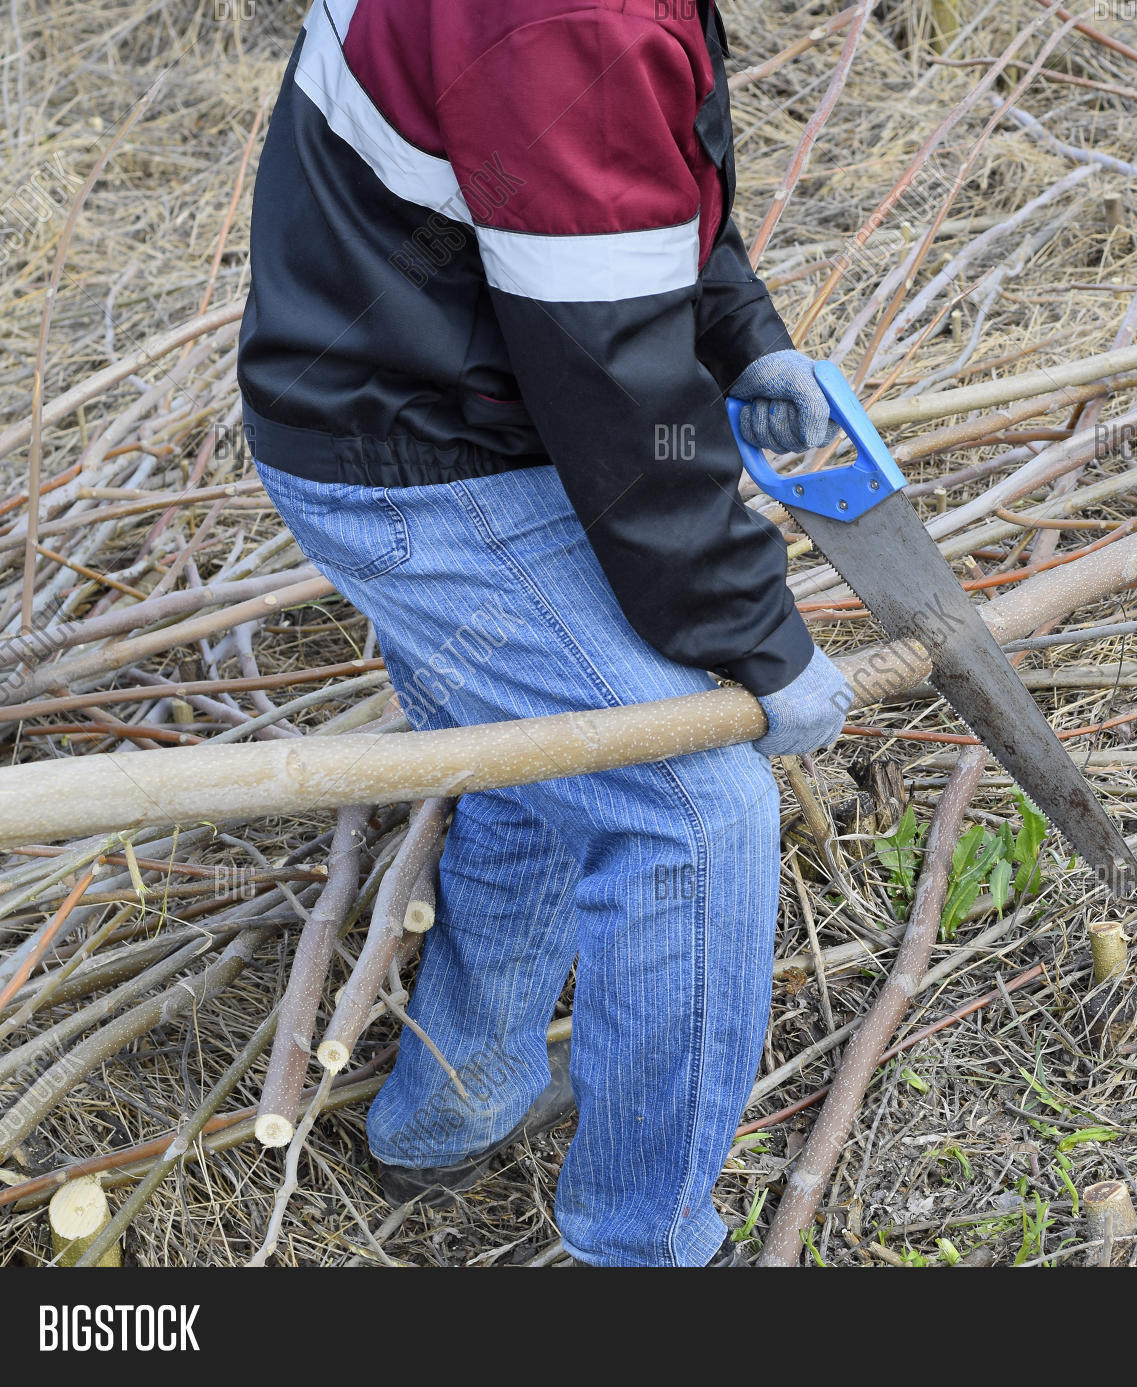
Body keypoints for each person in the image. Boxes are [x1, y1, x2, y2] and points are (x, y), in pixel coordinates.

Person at [238, 0, 853, 1266]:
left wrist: (743, 340)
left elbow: (619, 185)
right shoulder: (567, 13)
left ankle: (452, 1107)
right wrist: (761, 638)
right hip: (426, 454)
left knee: (534, 760)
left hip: (446, 387)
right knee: (694, 812)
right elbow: (627, 407)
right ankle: (646, 1250)